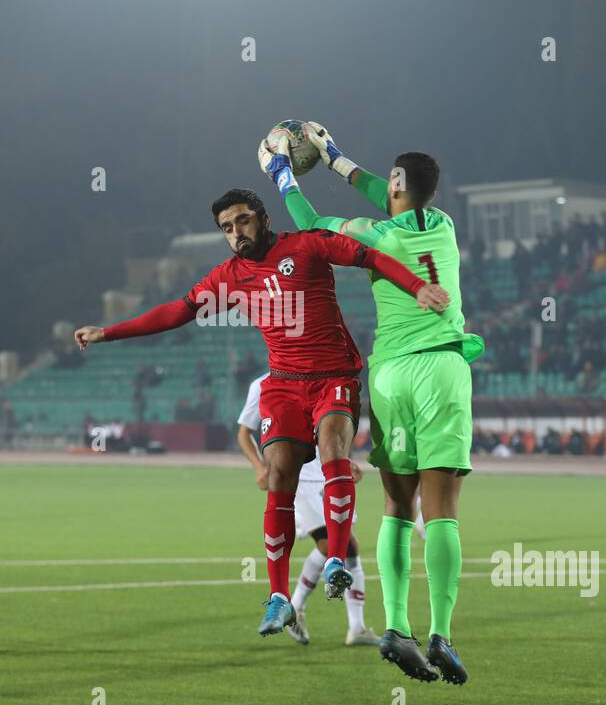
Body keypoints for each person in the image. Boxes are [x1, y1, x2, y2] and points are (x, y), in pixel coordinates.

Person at [75, 188, 446, 637]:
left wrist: (418, 286)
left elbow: (370, 257)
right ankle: (278, 598)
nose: (236, 233)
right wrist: (109, 333)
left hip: (333, 377)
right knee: (278, 476)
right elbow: (179, 311)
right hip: (283, 385)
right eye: (227, 228)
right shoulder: (229, 276)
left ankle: (334, 562)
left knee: (333, 450)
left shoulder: (308, 245)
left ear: (264, 219)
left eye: (243, 221)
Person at [268, 123, 485, 685]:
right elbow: (391, 193)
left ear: (395, 184)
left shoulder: (371, 235)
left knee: (394, 506)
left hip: (389, 375)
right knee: (441, 512)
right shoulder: (443, 226)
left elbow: (313, 227)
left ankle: (394, 627)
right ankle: (440, 633)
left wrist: (285, 175)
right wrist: (338, 160)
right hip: (441, 367)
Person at [235, 371, 379, 647]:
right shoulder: (264, 384)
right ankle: (297, 606)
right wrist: (260, 467)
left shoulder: (322, 375)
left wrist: (344, 461)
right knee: (331, 545)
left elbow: (330, 427)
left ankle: (354, 626)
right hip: (297, 479)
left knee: (349, 547)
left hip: (327, 474)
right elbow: (244, 432)